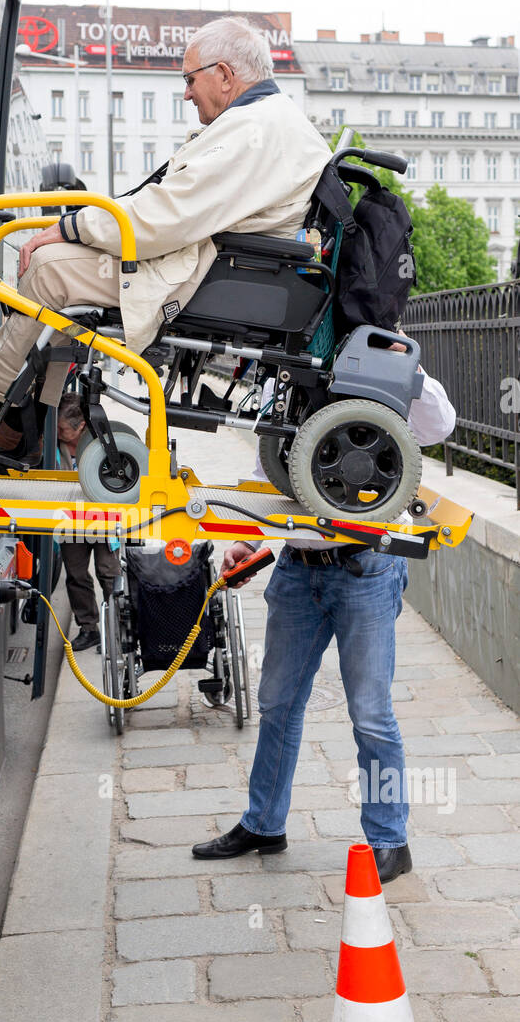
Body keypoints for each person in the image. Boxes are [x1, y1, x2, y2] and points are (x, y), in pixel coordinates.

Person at [0, 16, 332, 456]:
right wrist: (81, 227)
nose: (186, 93)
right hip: (221, 267)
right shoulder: (264, 122)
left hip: (210, 275)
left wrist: (70, 225)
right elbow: (172, 208)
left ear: (224, 75)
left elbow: (164, 217)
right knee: (60, 277)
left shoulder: (256, 131)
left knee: (50, 270)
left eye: (190, 79)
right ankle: (16, 412)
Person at [191, 351, 457, 884]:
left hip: (366, 570)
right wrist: (247, 541)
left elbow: (439, 425)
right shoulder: (294, 375)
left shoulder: (383, 369)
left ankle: (389, 841)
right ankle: (264, 824)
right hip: (297, 567)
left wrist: (402, 362)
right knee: (277, 704)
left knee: (370, 714)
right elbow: (268, 469)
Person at [56, 392, 121, 652]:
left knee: (109, 572)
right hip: (69, 520)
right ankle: (88, 629)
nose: (58, 433)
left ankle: (116, 629)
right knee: (76, 575)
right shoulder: (54, 445)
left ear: (81, 426)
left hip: (102, 518)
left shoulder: (102, 445)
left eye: (62, 429)